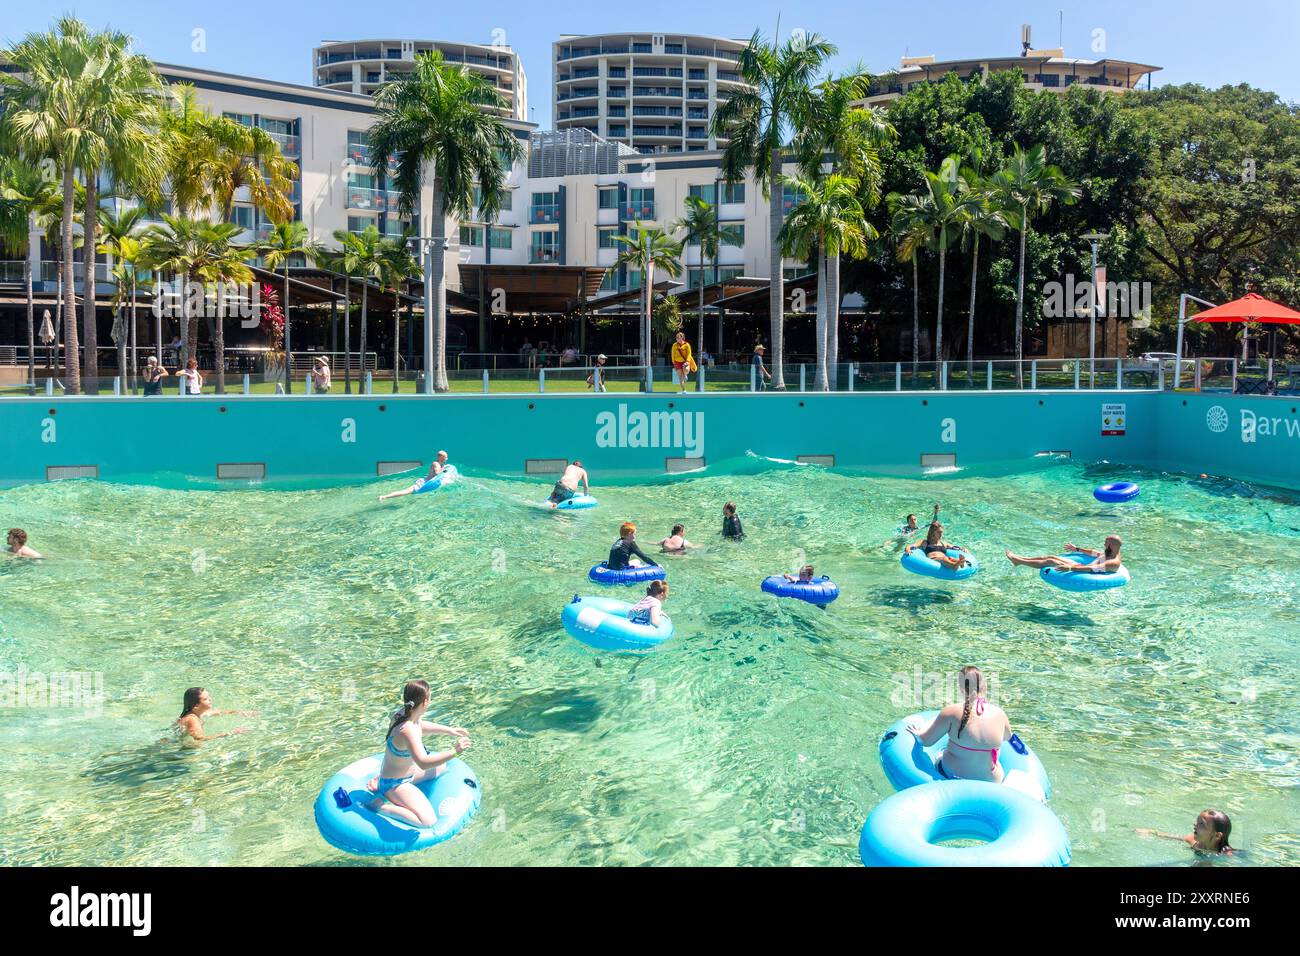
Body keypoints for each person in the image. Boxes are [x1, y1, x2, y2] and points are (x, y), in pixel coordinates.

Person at [366, 679, 470, 827]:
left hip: (407, 774)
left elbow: (420, 725)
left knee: (441, 767)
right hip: (394, 784)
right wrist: (455, 751)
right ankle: (379, 806)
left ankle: (383, 786)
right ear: (425, 702)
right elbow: (423, 762)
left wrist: (450, 730)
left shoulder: (404, 714)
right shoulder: (407, 731)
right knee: (428, 821)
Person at [908, 667, 1011, 783]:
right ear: (985, 686)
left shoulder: (951, 712)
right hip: (991, 781)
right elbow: (1007, 738)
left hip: (952, 776)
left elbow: (926, 741)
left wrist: (918, 733)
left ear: (961, 688)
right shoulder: (1000, 714)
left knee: (941, 753)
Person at [1136, 810, 1237, 856]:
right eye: (1197, 821)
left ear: (1217, 836)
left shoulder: (1226, 855)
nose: (1195, 824)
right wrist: (1151, 832)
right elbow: (1171, 837)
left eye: (1201, 824)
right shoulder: (1193, 841)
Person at [1006, 535, 1123, 573]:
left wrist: (1070, 568)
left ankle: (1019, 561)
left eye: (1105, 543)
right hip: (1082, 566)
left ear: (1111, 545)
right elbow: (1096, 553)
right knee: (1051, 556)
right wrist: (1076, 549)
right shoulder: (1113, 551)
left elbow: (1092, 568)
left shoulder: (1113, 562)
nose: (1103, 544)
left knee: (1051, 562)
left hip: (1088, 572)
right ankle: (1020, 558)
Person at [175, 687, 253, 744]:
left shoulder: (195, 712)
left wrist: (240, 712)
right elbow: (200, 739)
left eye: (209, 697)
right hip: (182, 748)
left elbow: (218, 712)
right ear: (196, 706)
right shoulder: (192, 719)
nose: (210, 699)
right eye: (205, 699)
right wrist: (231, 732)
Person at [905, 510, 970, 570]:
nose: (941, 535)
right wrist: (907, 549)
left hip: (945, 558)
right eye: (939, 533)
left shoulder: (943, 543)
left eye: (941, 533)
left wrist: (963, 548)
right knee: (945, 559)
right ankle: (955, 565)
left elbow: (955, 547)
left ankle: (960, 563)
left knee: (950, 558)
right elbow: (911, 546)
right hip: (934, 560)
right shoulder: (925, 542)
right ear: (933, 533)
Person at [379, 450, 450, 501]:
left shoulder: (439, 464)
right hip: (423, 484)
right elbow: (437, 473)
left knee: (406, 492)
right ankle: (384, 497)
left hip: (426, 482)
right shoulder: (436, 464)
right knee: (405, 492)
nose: (446, 459)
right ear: (440, 457)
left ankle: (385, 497)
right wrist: (444, 469)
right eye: (445, 457)